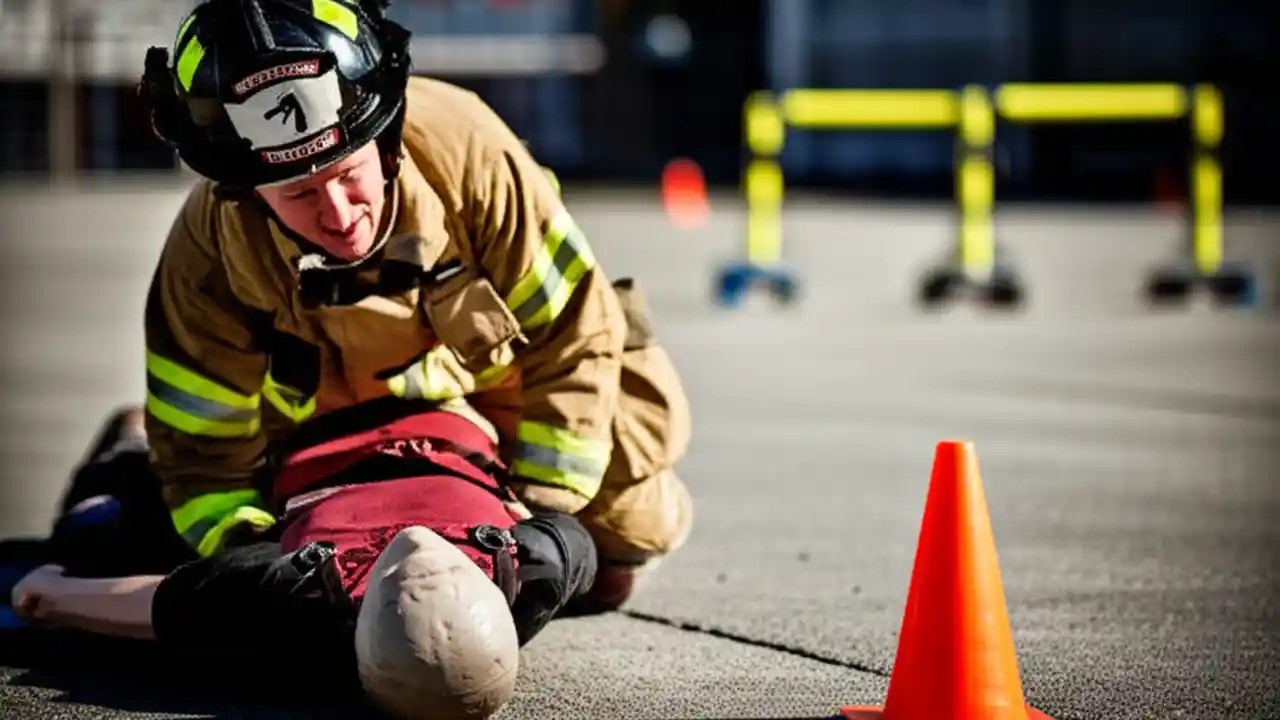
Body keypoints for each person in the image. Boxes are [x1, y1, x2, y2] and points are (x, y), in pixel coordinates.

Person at [134, 0, 692, 612]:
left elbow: (574, 334)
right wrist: (247, 544)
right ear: (245, 191)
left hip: (494, 390)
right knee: (169, 532)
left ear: (388, 136)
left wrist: (540, 509)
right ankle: (129, 449)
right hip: (318, 432)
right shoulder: (209, 250)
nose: (340, 217)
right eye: (298, 193)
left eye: (349, 174)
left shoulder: (471, 154)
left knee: (635, 530)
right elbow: (201, 444)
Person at [10, 400, 598, 720]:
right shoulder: (538, 564)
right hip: (438, 405)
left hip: (307, 424)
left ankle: (132, 443)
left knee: (89, 536)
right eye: (455, 567)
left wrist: (50, 595)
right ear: (499, 588)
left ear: (353, 627)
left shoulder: (295, 597)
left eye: (400, 578)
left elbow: (161, 605)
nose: (421, 541)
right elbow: (582, 546)